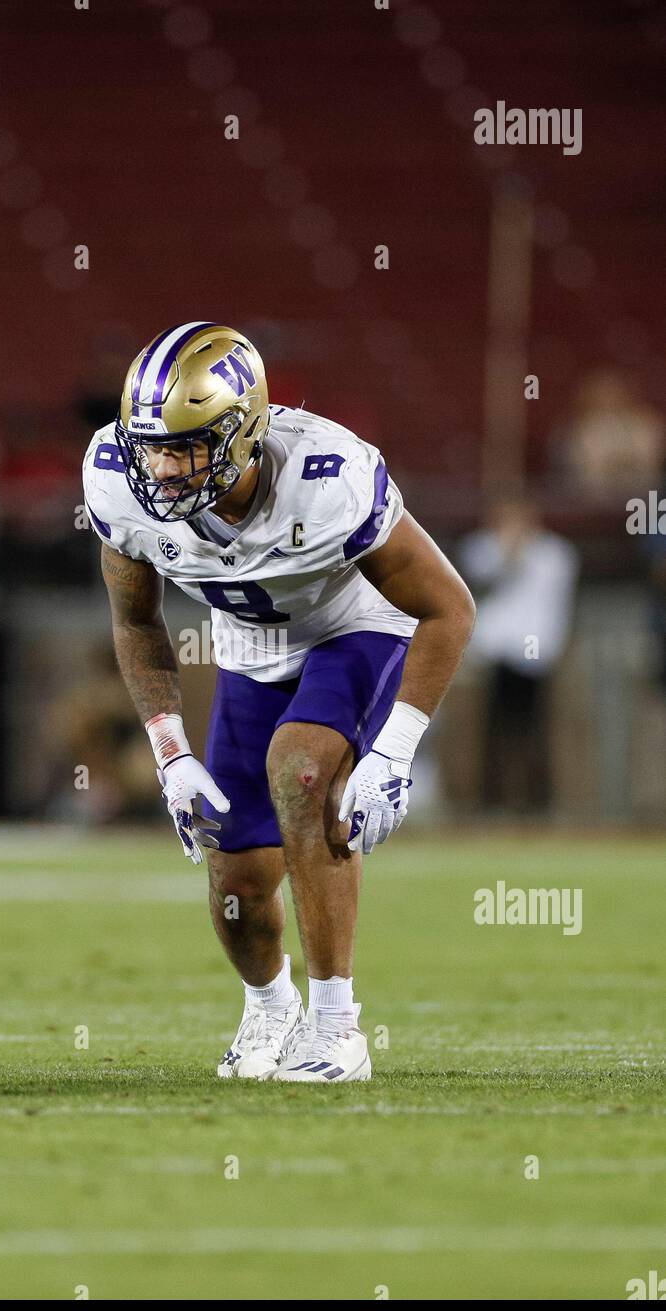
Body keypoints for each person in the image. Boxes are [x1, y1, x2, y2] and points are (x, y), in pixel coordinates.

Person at [83, 323, 474, 1083]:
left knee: (300, 772)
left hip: (357, 624)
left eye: (185, 447)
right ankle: (270, 1010)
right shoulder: (117, 482)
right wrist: (170, 753)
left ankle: (338, 1030)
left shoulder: (328, 478)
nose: (160, 468)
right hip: (251, 648)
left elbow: (449, 609)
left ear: (244, 433)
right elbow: (135, 619)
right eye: (149, 446)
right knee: (237, 882)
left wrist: (395, 750)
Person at [459, 495, 578, 812]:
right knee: (492, 731)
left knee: (534, 729)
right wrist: (509, 551)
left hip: (535, 652)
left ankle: (537, 800)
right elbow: (480, 580)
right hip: (495, 653)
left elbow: (555, 604)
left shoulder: (555, 553)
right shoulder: (482, 548)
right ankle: (490, 799)